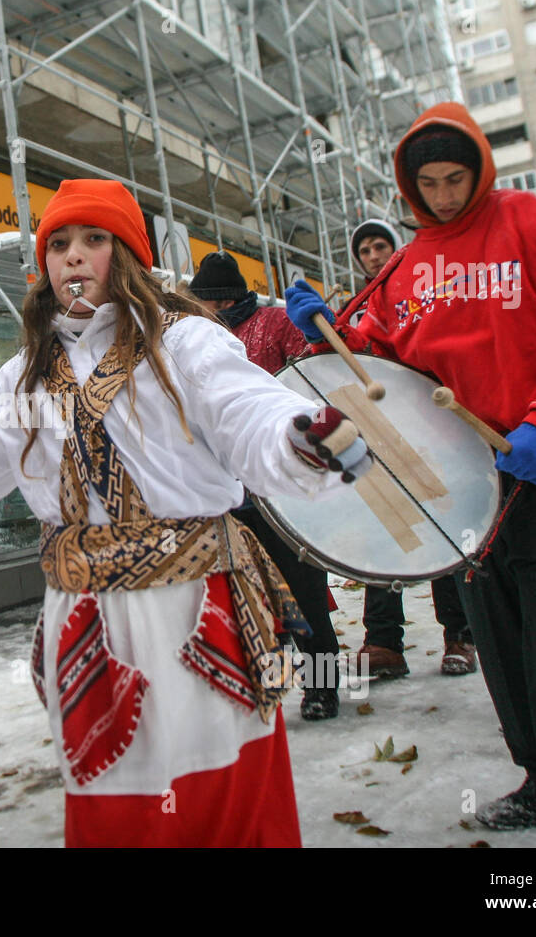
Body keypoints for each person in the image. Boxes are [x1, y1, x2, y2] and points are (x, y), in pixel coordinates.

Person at [0, 179, 371, 846]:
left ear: (126, 255)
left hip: (191, 609)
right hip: (88, 625)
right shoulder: (26, 378)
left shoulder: (185, 346)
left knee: (219, 805)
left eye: (94, 239)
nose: (73, 256)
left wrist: (301, 434)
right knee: (112, 809)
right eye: (58, 244)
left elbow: (249, 413)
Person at [285, 103, 536, 847]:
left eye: (456, 178)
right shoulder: (409, 266)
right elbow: (382, 364)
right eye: (430, 184)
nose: (445, 196)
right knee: (501, 644)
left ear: (479, 167)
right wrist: (329, 331)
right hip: (457, 483)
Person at [187, 251, 340, 721]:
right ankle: (259, 690)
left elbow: (317, 374)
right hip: (226, 494)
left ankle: (323, 689)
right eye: (204, 302)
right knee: (245, 603)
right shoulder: (190, 336)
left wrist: (318, 334)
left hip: (279, 489)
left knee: (305, 596)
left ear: (230, 296)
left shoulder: (274, 324)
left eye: (214, 300)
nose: (210, 308)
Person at [341, 220, 478, 678]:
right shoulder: (352, 310)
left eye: (381, 245)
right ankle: (383, 642)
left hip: (435, 431)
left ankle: (459, 634)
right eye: (365, 249)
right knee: (389, 535)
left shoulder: (419, 296)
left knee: (442, 530)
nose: (374, 255)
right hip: (383, 435)